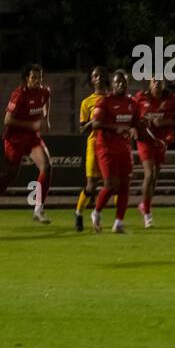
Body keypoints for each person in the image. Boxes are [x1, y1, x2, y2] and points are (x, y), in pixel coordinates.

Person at [90, 69, 160, 233]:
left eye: (123, 82)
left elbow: (139, 126)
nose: (120, 84)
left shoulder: (132, 103)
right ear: (112, 84)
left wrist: (154, 140)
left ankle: (118, 223)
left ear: (127, 83)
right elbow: (94, 124)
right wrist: (116, 127)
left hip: (124, 148)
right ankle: (96, 212)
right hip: (105, 147)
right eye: (117, 82)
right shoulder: (105, 102)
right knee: (111, 184)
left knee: (125, 185)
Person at [0, 64, 52, 223]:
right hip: (14, 139)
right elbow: (7, 120)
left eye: (39, 78)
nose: (37, 81)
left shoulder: (44, 92)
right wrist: (32, 125)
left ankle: (38, 209)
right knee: (12, 175)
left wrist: (46, 118)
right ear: (27, 79)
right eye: (34, 78)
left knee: (47, 166)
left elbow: (47, 100)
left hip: (32, 138)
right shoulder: (19, 94)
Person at [134, 77, 175, 228]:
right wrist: (137, 125)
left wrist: (164, 122)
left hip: (162, 141)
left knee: (155, 176)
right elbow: (131, 114)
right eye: (154, 81)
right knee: (149, 173)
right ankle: (147, 214)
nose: (157, 83)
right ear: (149, 84)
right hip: (145, 140)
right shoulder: (140, 98)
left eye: (160, 81)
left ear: (164, 84)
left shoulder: (172, 98)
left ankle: (144, 204)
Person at [74, 66, 109, 232]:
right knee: (91, 185)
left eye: (101, 75)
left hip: (111, 144)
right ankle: (79, 213)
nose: (99, 78)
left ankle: (104, 217)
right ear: (92, 79)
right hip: (94, 144)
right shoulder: (86, 102)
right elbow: (82, 129)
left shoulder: (112, 98)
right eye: (95, 75)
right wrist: (94, 122)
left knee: (113, 183)